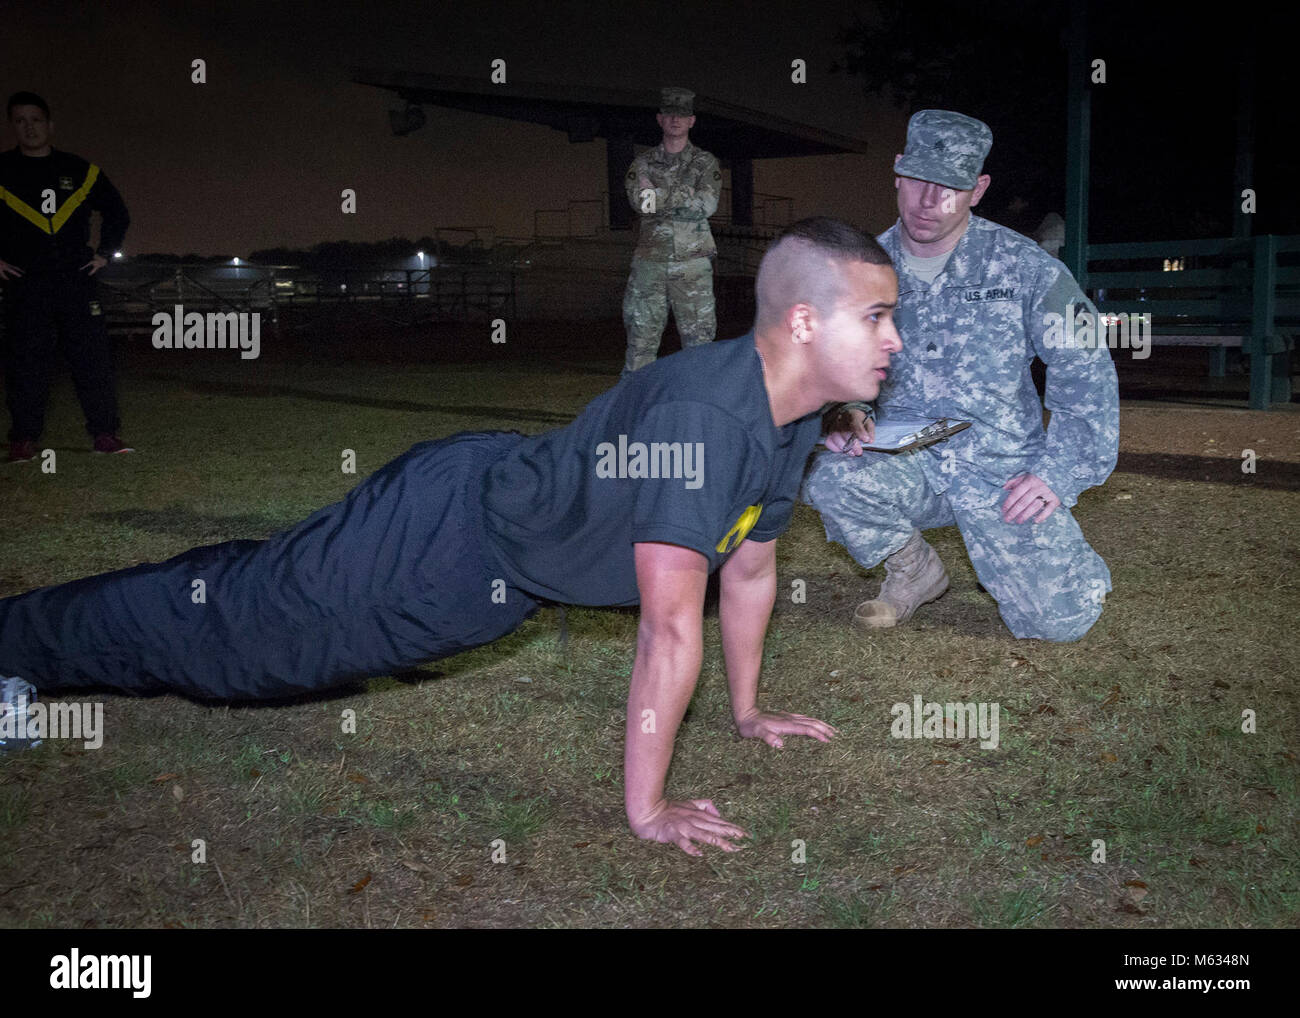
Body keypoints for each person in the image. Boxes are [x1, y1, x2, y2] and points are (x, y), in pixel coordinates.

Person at [0, 217, 902, 855]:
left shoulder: (791, 415)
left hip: (487, 562)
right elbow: (670, 627)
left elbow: (747, 570)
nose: (894, 340)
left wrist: (747, 714)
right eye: (876, 317)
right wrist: (648, 809)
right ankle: (17, 643)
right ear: (801, 321)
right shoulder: (707, 417)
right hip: (439, 536)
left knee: (240, 595)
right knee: (237, 641)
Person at [804, 111, 1119, 642]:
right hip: (905, 460)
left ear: (978, 189)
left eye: (951, 187)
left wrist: (1057, 475)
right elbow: (829, 368)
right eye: (921, 181)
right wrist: (844, 413)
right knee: (824, 473)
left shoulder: (1024, 266)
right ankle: (913, 570)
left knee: (1059, 622)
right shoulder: (859, 271)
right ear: (899, 172)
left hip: (1001, 470)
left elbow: (1085, 370)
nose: (932, 202)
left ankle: (1066, 568)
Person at [0, 92, 132, 463]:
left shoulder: (80, 170)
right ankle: (23, 439)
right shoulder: (3, 170)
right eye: (20, 120)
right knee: (25, 362)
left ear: (50, 125)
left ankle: (105, 434)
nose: (29, 127)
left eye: (36, 119)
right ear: (13, 126)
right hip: (25, 283)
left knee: (91, 360)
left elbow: (117, 213)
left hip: (75, 279)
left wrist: (104, 252)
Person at [621, 86, 721, 377]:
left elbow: (707, 204)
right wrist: (682, 196)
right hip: (650, 263)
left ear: (691, 121)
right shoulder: (642, 163)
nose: (675, 120)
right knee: (640, 341)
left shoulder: (705, 162)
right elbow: (640, 204)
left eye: (682, 115)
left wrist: (659, 194)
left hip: (692, 264)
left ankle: (698, 409)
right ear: (659, 119)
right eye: (669, 114)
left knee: (699, 344)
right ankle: (633, 411)